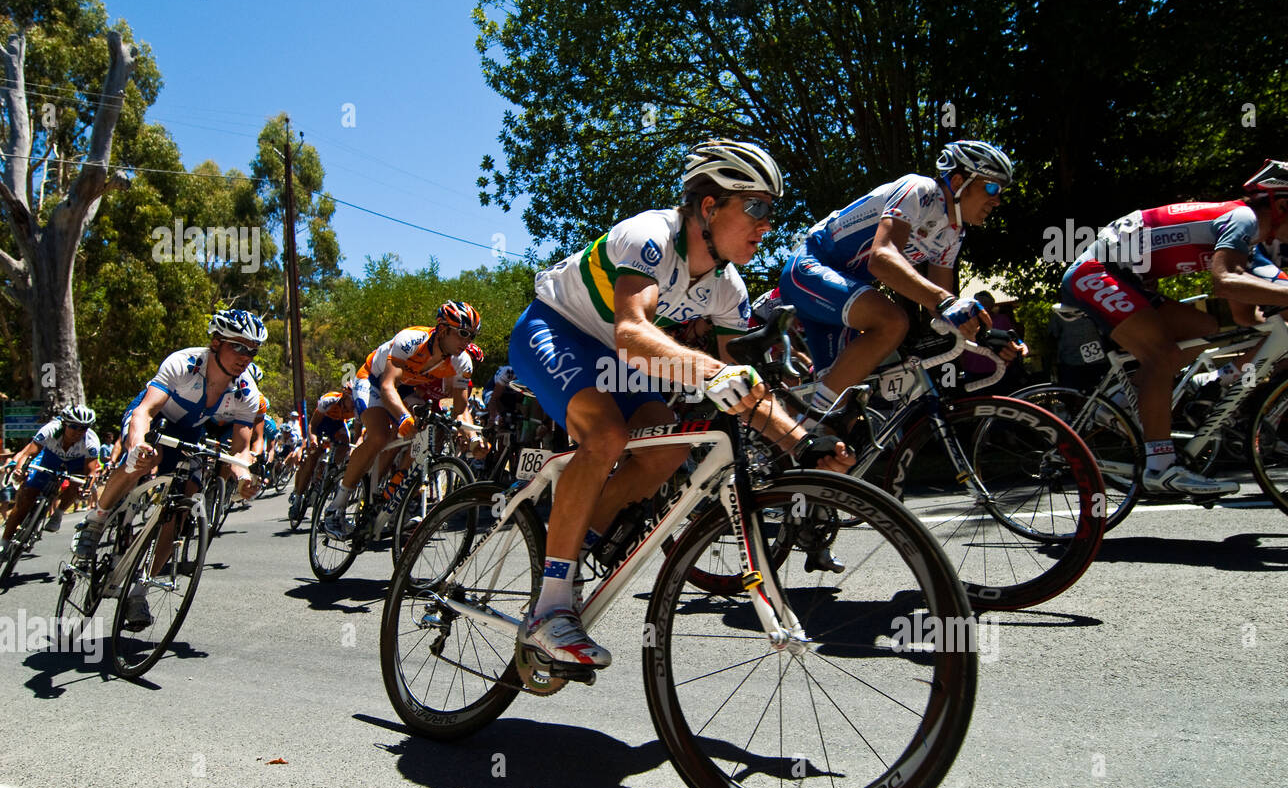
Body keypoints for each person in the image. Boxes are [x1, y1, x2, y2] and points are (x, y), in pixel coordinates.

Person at [508, 138, 852, 675]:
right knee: (605, 438)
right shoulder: (650, 237)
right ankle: (549, 610)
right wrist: (713, 371)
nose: (765, 225)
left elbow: (744, 384)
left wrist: (801, 440)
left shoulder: (728, 288)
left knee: (671, 445)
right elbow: (631, 333)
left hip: (614, 357)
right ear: (709, 207)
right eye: (755, 208)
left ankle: (574, 546)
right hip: (555, 329)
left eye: (771, 211)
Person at [1061, 158, 1288, 496]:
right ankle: (1160, 467)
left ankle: (1117, 402)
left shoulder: (1249, 237)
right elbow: (1225, 281)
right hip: (1095, 271)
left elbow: (1245, 316)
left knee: (1203, 326)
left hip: (1129, 279)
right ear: (1285, 205)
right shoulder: (1242, 218)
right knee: (1161, 355)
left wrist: (1287, 331)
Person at [778, 140, 1026, 414]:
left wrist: (987, 336)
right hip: (810, 268)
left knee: (846, 409)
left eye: (1001, 191)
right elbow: (882, 258)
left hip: (842, 296)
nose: (997, 199)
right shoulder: (919, 190)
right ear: (958, 181)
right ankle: (813, 424)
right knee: (893, 321)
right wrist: (945, 302)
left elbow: (940, 308)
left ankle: (800, 435)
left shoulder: (953, 233)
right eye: (991, 187)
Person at [72, 310, 264, 629]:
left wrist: (244, 479)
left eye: (252, 350)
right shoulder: (184, 363)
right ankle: (97, 519)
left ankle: (139, 590)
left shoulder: (247, 393)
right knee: (144, 460)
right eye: (239, 347)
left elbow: (240, 450)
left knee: (185, 505)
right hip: (155, 418)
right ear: (216, 343)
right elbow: (146, 411)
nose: (246, 357)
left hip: (189, 432)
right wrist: (137, 446)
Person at [321, 302, 479, 538]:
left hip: (406, 390)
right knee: (379, 436)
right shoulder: (412, 339)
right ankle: (337, 507)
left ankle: (396, 498)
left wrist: (475, 436)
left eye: (472, 336)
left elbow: (460, 408)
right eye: (463, 334)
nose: (467, 341)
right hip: (374, 381)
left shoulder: (462, 362)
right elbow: (386, 387)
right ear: (444, 329)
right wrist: (404, 418)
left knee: (427, 431)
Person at [0, 405, 100, 555]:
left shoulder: (91, 441)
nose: (78, 432)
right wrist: (20, 470)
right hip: (49, 458)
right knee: (25, 498)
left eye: (83, 428)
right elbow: (27, 454)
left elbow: (91, 472)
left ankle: (58, 514)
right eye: (74, 427)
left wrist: (86, 488)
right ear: (64, 424)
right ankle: (4, 542)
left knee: (77, 483)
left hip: (76, 463)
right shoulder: (51, 429)